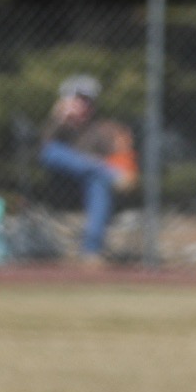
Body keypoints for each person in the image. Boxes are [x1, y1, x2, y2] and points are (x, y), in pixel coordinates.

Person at [39, 75, 136, 268]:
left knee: (98, 181)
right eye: (76, 100)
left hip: (89, 188)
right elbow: (43, 151)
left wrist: (114, 165)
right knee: (52, 151)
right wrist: (59, 119)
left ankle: (91, 252)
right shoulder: (57, 126)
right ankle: (102, 170)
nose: (80, 105)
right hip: (58, 185)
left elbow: (124, 165)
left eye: (85, 101)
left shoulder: (104, 129)